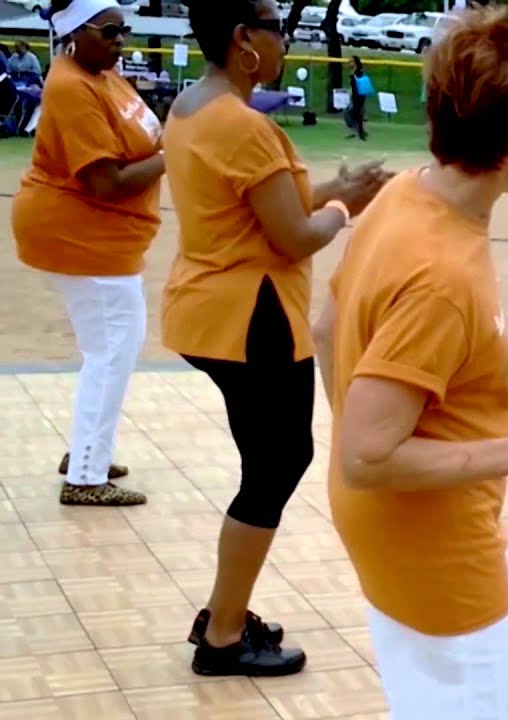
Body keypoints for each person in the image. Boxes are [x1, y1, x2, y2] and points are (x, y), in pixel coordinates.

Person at [316, 8, 508, 718]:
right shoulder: (445, 276)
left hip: (402, 534)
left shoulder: (404, 194)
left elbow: (327, 325)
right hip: (435, 557)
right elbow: (368, 456)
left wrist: (367, 437)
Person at [164, 0, 388, 677]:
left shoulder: (192, 107)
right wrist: (346, 206)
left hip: (209, 309)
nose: (285, 44)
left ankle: (224, 611)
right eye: (277, 30)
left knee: (270, 461)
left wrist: (330, 190)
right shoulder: (243, 124)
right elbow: (292, 235)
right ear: (244, 39)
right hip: (251, 317)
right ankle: (223, 635)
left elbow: (260, 204)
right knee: (276, 464)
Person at [11, 0, 163, 507]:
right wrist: (173, 154)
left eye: (124, 30)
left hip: (102, 237)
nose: (121, 41)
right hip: (82, 235)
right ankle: (86, 477)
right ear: (76, 33)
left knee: (109, 350)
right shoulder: (72, 86)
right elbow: (105, 183)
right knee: (113, 351)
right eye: (110, 31)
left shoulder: (103, 75)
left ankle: (86, 453)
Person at [346, 55, 370, 141]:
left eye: (351, 61)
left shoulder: (358, 72)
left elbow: (359, 85)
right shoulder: (353, 72)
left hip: (358, 96)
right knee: (355, 114)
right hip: (355, 95)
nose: (349, 63)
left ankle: (360, 132)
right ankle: (359, 131)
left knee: (355, 113)